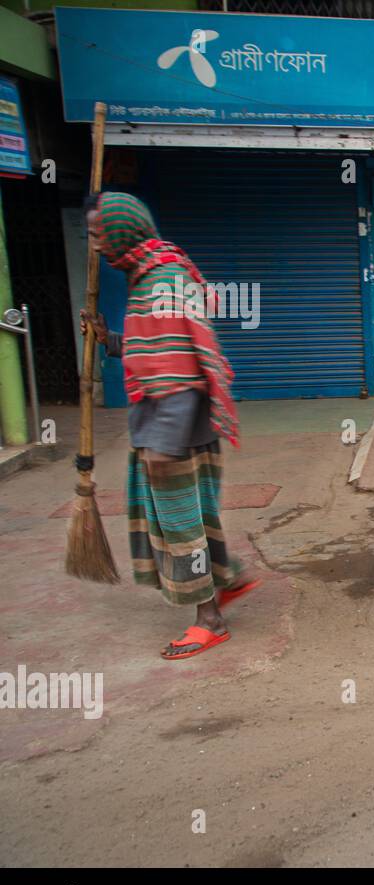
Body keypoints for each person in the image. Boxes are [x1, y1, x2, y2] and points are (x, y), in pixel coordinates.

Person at [80, 191, 259, 660]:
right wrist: (111, 340)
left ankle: (209, 620)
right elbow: (158, 345)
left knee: (180, 529)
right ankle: (230, 579)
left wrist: (164, 444)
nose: (95, 245)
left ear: (122, 230)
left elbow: (179, 365)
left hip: (173, 429)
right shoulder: (152, 273)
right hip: (175, 425)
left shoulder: (163, 278)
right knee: (194, 519)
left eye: (99, 233)